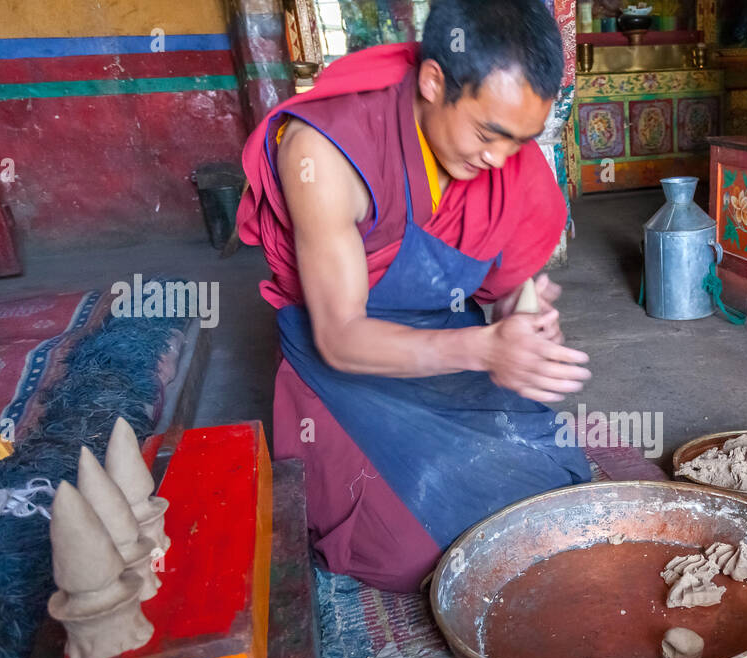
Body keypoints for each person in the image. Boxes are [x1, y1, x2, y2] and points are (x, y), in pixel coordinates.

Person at [236, 0, 593, 592]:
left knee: (555, 473)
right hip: (341, 353)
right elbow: (341, 338)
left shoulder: (505, 158)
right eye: (488, 135)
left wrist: (522, 319)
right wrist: (485, 351)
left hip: (447, 330)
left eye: (519, 142)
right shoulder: (324, 155)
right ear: (433, 82)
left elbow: (506, 284)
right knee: (412, 549)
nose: (499, 160)